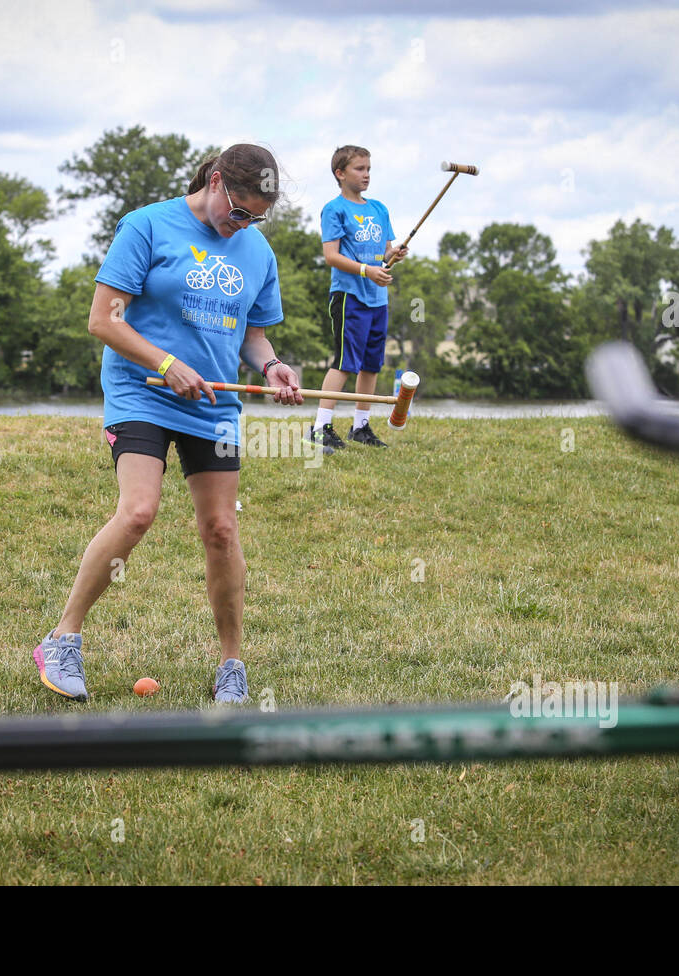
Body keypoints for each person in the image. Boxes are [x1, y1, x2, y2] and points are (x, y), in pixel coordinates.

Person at [33, 144, 303, 705]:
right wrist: (164, 362)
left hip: (213, 401)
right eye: (240, 211)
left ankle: (232, 664)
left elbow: (252, 334)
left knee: (222, 530)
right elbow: (102, 320)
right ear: (216, 181)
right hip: (143, 389)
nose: (243, 225)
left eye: (256, 218)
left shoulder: (256, 251)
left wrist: (273, 366)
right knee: (138, 512)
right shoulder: (147, 226)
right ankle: (62, 639)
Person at [309, 145, 407, 453]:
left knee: (371, 364)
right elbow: (331, 256)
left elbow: (385, 252)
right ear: (340, 174)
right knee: (344, 361)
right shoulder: (334, 209)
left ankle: (360, 427)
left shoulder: (378, 208)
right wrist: (367, 270)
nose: (366, 174)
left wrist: (394, 255)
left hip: (378, 297)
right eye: (359, 169)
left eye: (368, 169)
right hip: (350, 296)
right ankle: (319, 427)